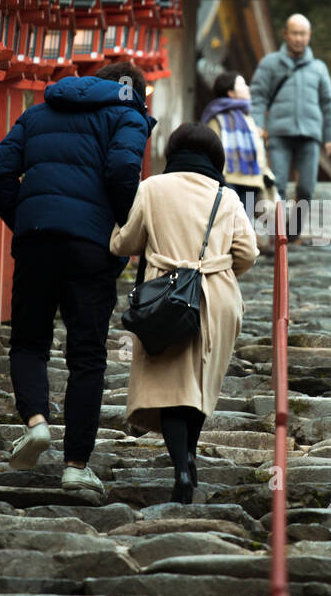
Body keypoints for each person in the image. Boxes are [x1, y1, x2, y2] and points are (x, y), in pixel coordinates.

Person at [0, 61, 154, 495]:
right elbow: (121, 170)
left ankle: (37, 422)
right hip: (91, 249)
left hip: (37, 240)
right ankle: (76, 465)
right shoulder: (128, 113)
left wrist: (25, 218)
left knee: (28, 341)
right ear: (134, 90)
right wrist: (120, 230)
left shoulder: (40, 112)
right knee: (87, 356)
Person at [110, 122, 258, 503]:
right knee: (199, 386)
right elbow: (248, 253)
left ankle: (181, 466)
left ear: (172, 152)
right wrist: (215, 271)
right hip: (217, 297)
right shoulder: (226, 197)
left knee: (170, 388)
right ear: (215, 157)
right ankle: (189, 457)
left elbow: (126, 242)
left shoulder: (152, 188)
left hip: (165, 297)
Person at [249, 13, 331, 241]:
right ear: (285, 34)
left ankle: (293, 231)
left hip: (310, 134)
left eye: (303, 34)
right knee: (276, 184)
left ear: (309, 36)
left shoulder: (318, 67)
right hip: (279, 133)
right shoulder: (270, 63)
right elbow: (258, 96)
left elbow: (328, 102)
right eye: (294, 33)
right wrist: (257, 125)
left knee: (307, 188)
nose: (299, 39)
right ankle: (274, 233)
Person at [201, 70, 273, 221]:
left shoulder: (248, 118)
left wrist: (264, 173)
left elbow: (258, 152)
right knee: (226, 223)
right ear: (231, 93)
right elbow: (212, 150)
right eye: (242, 84)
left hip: (251, 180)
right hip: (228, 180)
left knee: (243, 225)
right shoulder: (216, 119)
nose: (248, 88)